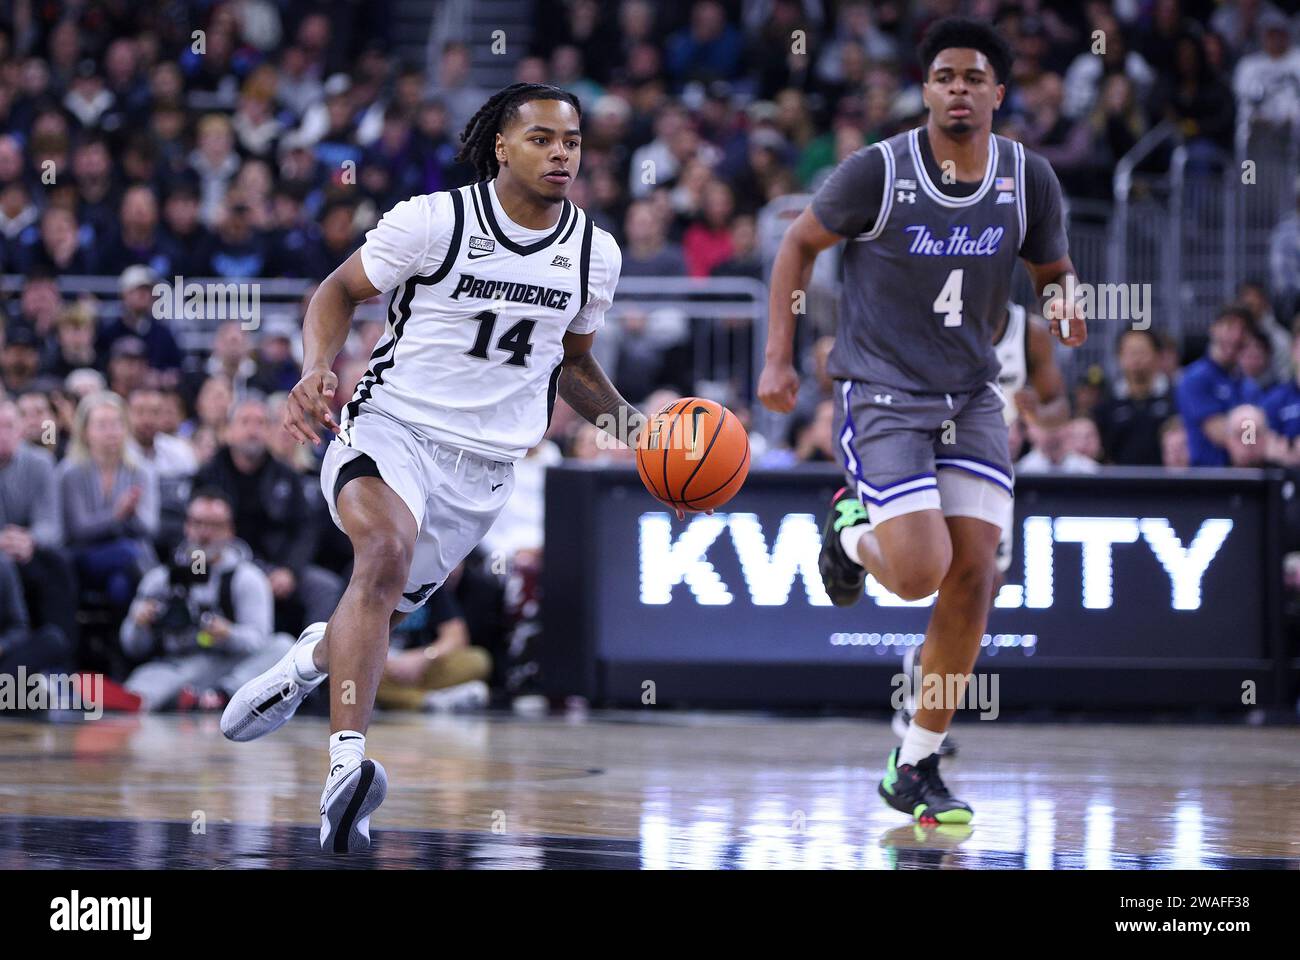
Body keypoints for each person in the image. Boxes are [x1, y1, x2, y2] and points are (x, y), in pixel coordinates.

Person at [220, 83, 633, 852]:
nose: (561, 154)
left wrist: (640, 432)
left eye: (572, 142)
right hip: (390, 429)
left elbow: (572, 364)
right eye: (542, 139)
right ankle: (346, 770)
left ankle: (308, 659)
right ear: (502, 147)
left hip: (483, 472)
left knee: (376, 602)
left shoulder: (593, 253)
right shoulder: (433, 220)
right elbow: (337, 292)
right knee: (382, 554)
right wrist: (314, 367)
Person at [758, 18, 1086, 825]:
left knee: (976, 577)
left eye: (975, 77)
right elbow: (798, 245)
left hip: (973, 395)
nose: (959, 90)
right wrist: (778, 358)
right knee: (916, 573)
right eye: (944, 76)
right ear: (927, 89)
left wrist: (1066, 301)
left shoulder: (1029, 178)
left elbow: (1052, 269)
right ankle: (848, 536)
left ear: (998, 94)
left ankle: (915, 766)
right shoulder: (879, 170)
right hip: (883, 390)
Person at [121, 489, 291, 711]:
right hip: (178, 666)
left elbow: (259, 640)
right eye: (198, 523)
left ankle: (220, 696)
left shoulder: (248, 579)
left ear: (230, 531)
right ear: (186, 526)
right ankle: (185, 699)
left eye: (214, 526)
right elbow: (132, 647)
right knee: (145, 692)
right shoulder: (160, 579)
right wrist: (139, 622)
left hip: (231, 665)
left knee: (283, 647)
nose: (204, 533)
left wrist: (228, 634)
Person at [56, 391, 159, 609]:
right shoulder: (69, 472)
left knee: (119, 586)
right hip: (84, 556)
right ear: (85, 432)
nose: (111, 432)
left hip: (127, 558)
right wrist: (117, 515)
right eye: (102, 425)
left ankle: (120, 640)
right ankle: (160, 593)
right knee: (129, 552)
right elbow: (77, 530)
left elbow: (150, 527)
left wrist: (133, 513)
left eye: (117, 424)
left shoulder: (142, 470)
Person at [1175, 305, 1262, 466]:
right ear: (1213, 328)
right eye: (1229, 326)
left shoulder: (1248, 385)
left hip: (1244, 476)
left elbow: (1252, 436)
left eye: (1243, 329)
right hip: (1207, 478)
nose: (1236, 335)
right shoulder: (1195, 378)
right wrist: (1250, 440)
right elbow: (1217, 432)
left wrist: (1250, 440)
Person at [1092, 329, 1174, 466]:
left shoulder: (1175, 399)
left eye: (1142, 351)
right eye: (1130, 352)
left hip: (1168, 482)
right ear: (1119, 357)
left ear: (1158, 356)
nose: (1136, 358)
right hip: (1119, 483)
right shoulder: (1106, 405)